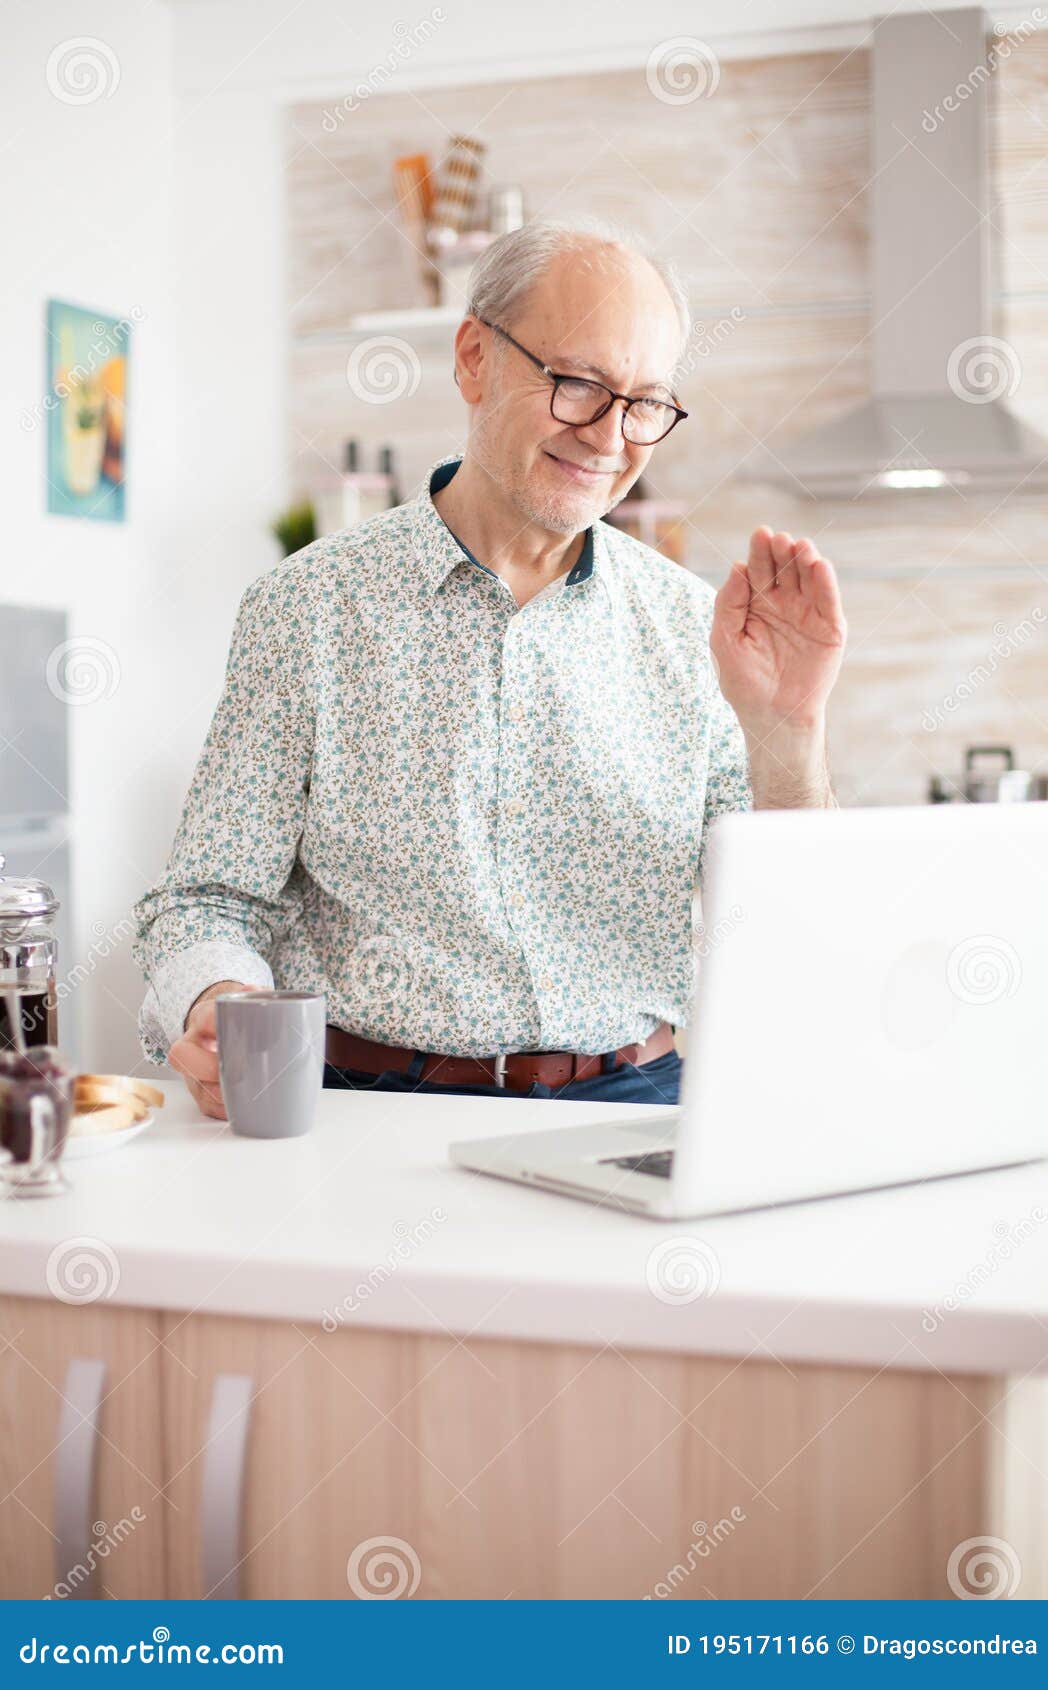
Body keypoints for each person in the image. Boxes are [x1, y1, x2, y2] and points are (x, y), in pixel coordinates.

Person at [132, 219, 845, 1120]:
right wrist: (219, 999)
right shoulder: (307, 607)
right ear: (474, 357)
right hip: (370, 1107)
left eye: (644, 403)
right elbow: (207, 899)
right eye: (578, 384)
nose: (609, 437)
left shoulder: (692, 627)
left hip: (635, 1102)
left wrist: (788, 732)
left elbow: (792, 924)